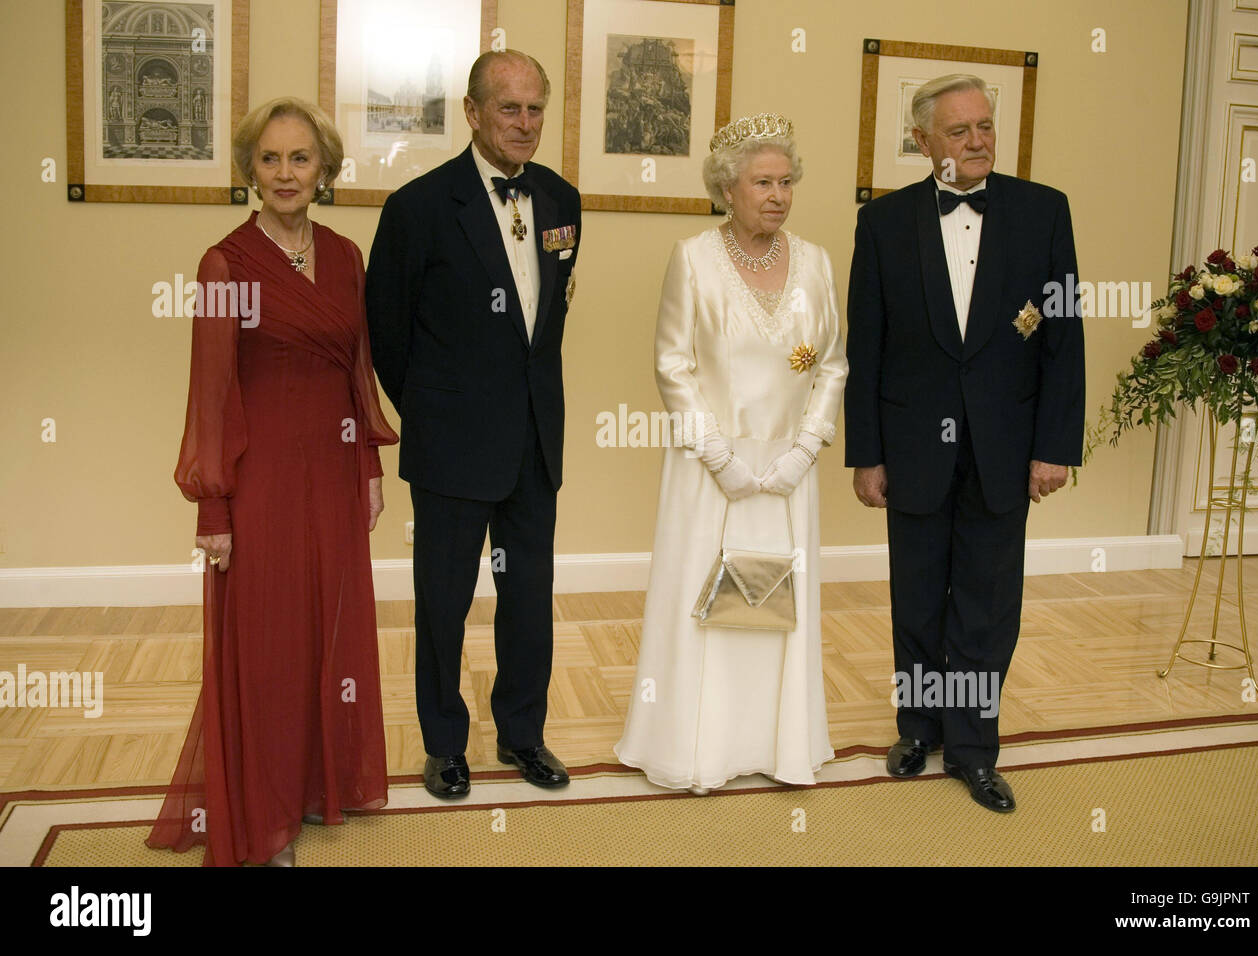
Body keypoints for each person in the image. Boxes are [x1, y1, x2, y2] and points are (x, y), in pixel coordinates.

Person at [148, 97, 398, 865]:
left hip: (333, 470)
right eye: (269, 159)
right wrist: (213, 510)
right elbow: (211, 392)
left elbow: (357, 373)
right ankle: (261, 816)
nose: (285, 173)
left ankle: (316, 787)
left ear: (323, 168)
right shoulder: (224, 262)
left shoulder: (348, 256)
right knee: (266, 648)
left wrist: (367, 467)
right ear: (249, 169)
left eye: (300, 158)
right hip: (259, 484)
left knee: (326, 633)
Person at [844, 74, 1085, 812]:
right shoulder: (883, 223)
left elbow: (1064, 337)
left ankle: (975, 747)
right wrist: (866, 453)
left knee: (984, 603)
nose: (979, 141)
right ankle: (918, 727)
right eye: (960, 131)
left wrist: (1055, 447)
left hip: (1005, 449)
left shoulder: (1045, 212)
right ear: (923, 142)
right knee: (917, 598)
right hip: (911, 446)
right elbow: (868, 345)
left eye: (985, 126)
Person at [366, 51, 581, 798]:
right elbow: (386, 334)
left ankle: (524, 734)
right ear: (473, 111)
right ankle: (444, 744)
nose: (525, 124)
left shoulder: (561, 200)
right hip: (452, 445)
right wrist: (436, 405)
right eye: (509, 109)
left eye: (535, 108)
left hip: (535, 444)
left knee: (528, 599)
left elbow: (546, 322)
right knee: (444, 603)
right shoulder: (419, 207)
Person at [615, 113, 848, 794]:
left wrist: (806, 448)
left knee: (776, 613)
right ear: (727, 186)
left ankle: (778, 747)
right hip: (709, 472)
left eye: (785, 182)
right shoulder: (693, 258)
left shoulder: (816, 262)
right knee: (706, 609)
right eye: (762, 182)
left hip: (786, 471)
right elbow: (672, 366)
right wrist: (720, 458)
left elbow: (832, 364)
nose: (777, 195)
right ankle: (698, 750)